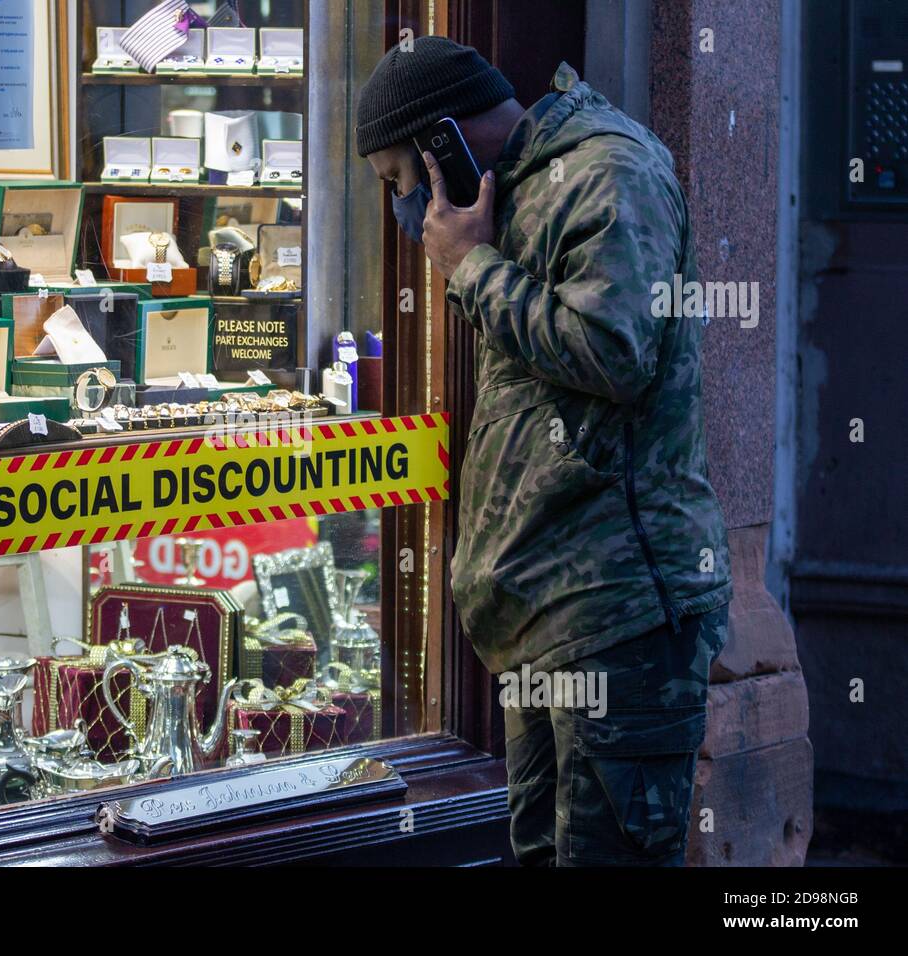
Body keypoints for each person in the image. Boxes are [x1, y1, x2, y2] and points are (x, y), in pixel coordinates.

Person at [356, 36, 733, 866]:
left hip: (619, 612)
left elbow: (614, 352)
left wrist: (472, 265)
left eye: (396, 181)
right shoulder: (518, 192)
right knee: (540, 851)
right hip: (540, 617)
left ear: (439, 143)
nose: (400, 208)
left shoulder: (609, 173)